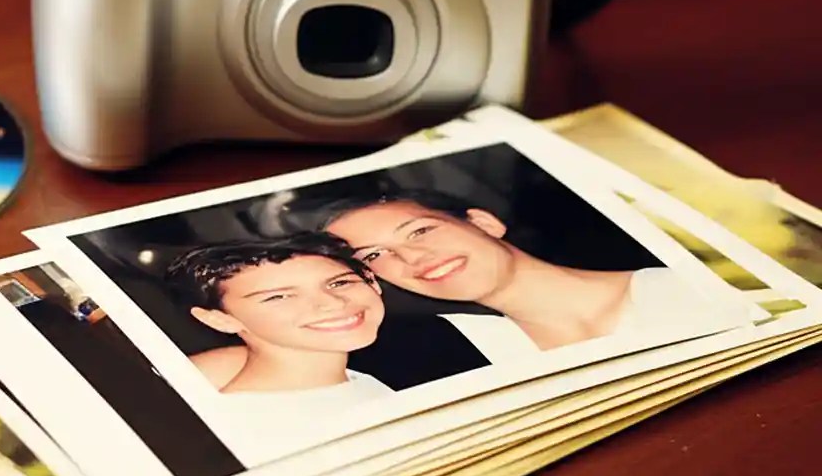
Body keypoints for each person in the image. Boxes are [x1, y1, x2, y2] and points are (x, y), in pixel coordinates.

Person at [322, 188, 744, 352]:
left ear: (484, 224)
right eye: (373, 256)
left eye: (419, 231)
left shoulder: (691, 289)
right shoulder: (484, 354)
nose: (411, 259)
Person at [163, 232, 391, 395]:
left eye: (339, 283)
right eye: (279, 297)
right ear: (219, 320)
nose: (331, 303)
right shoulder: (254, 423)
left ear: (371, 282)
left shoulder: (353, 384)